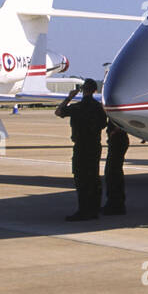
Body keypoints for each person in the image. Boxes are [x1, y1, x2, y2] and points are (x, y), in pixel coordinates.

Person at [56, 78, 107, 221]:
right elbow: (103, 124)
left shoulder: (77, 107)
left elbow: (59, 112)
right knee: (94, 178)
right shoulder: (98, 108)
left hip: (81, 146)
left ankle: (84, 210)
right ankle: (94, 209)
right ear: (95, 91)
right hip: (95, 145)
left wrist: (69, 97)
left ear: (83, 90)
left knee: (82, 179)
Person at [103, 120, 130, 215]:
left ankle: (116, 205)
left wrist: (115, 131)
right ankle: (115, 203)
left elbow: (123, 123)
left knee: (112, 173)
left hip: (118, 140)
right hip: (117, 139)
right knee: (113, 172)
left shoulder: (117, 113)